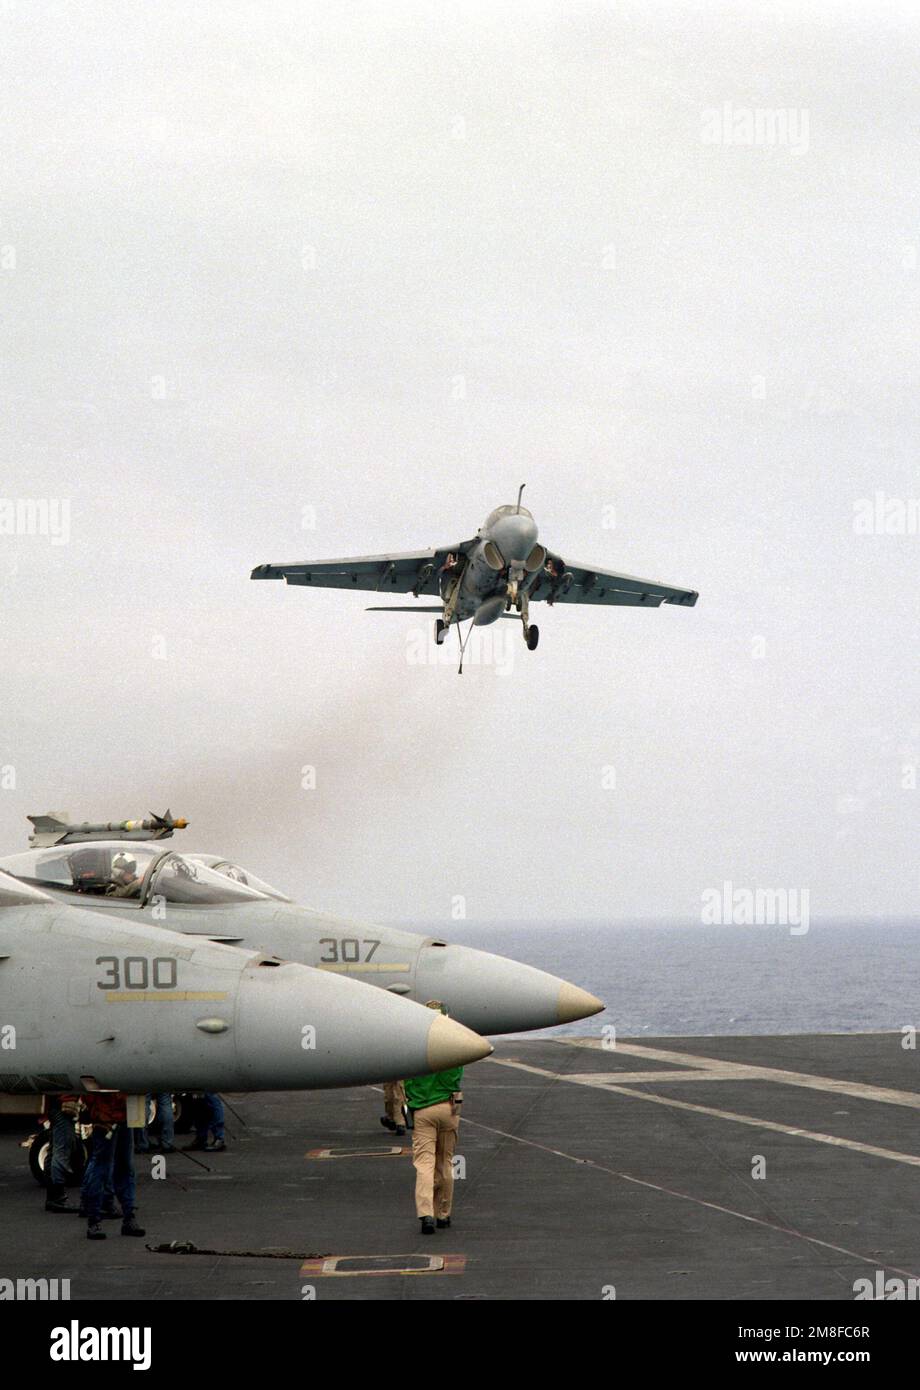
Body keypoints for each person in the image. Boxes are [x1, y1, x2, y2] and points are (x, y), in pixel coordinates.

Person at [403, 1001, 463, 1236]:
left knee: (424, 1164)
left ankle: (426, 1213)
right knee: (446, 1163)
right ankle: (444, 1214)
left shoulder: (417, 1045)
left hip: (423, 1111)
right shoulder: (457, 1044)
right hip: (449, 1109)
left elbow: (406, 1079)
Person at [80, 1092, 145, 1240]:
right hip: (113, 1114)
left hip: (116, 1113)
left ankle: (114, 1218)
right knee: (107, 1168)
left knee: (115, 1167)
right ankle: (96, 1219)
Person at [43, 1094, 82, 1214]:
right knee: (62, 1151)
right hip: (63, 1105)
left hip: (55, 1105)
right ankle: (58, 1198)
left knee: (54, 1150)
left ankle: (52, 1197)